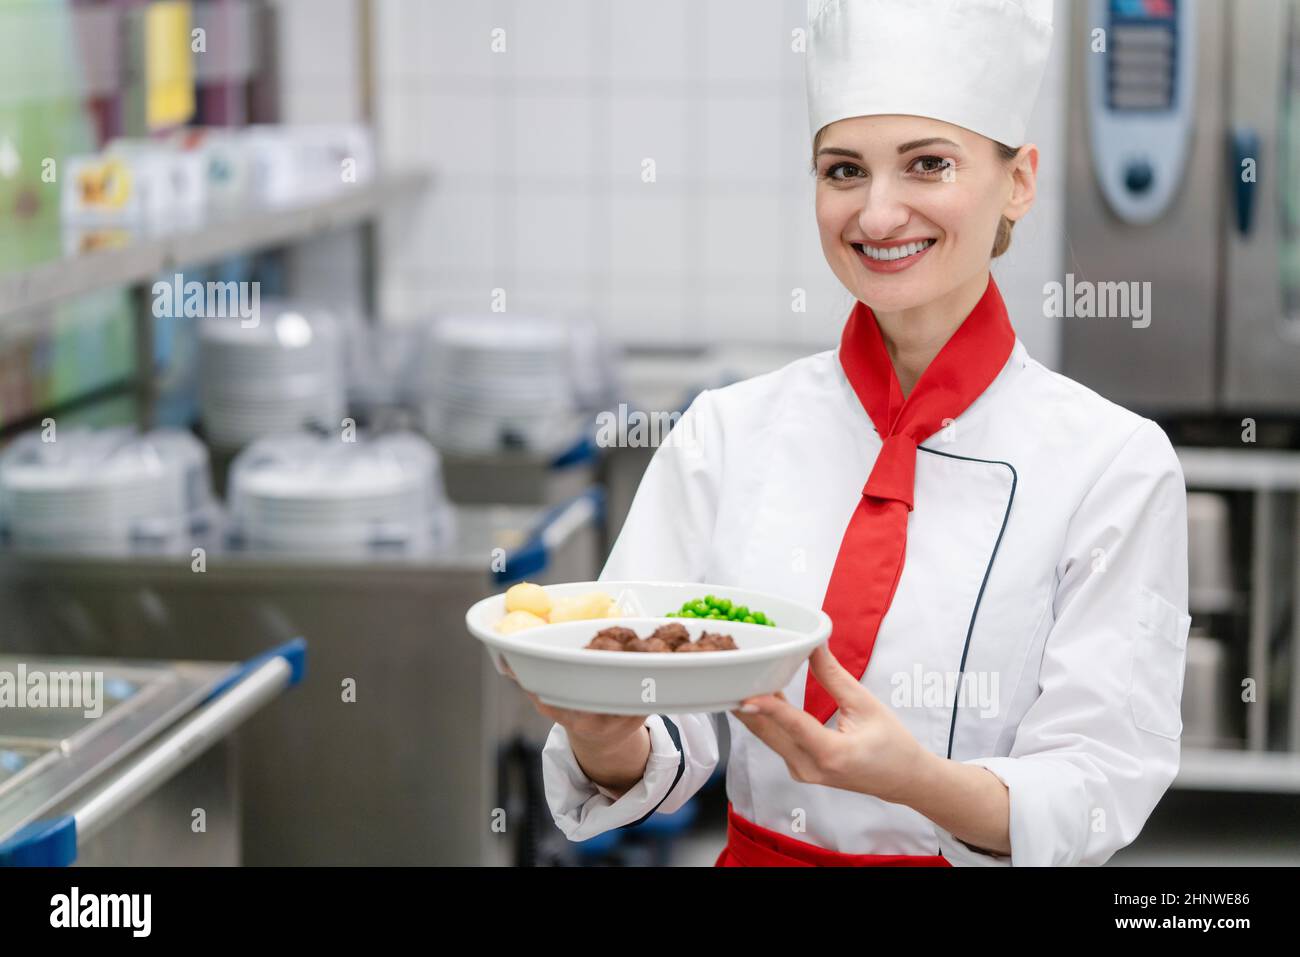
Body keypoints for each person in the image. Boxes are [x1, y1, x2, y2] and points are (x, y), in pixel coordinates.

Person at [524, 0, 1191, 866]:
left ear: (1019, 181)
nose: (877, 216)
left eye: (927, 164)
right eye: (844, 170)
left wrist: (918, 781)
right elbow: (655, 712)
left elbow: (1097, 781)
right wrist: (603, 733)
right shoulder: (726, 433)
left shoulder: (1112, 465)